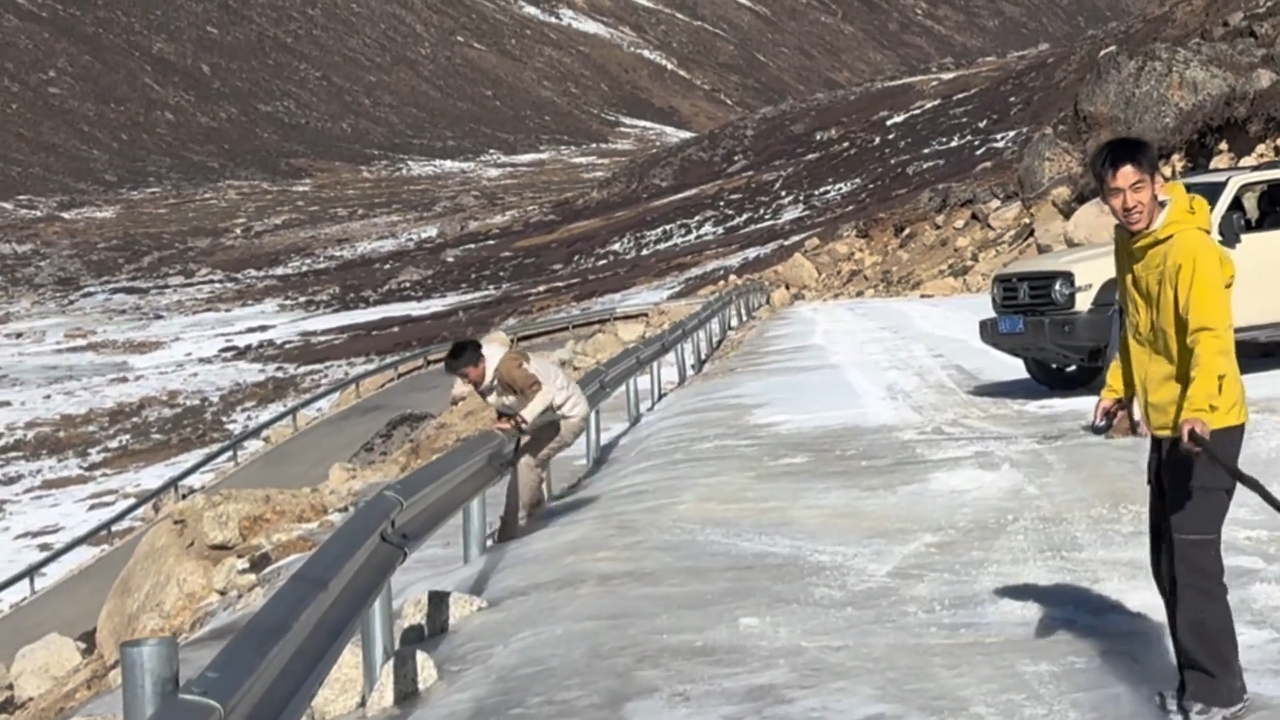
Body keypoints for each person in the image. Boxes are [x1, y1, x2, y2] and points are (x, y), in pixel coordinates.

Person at [1090, 137, 1251, 719]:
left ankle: (1220, 693)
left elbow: (1209, 336)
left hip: (1209, 423)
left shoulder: (1189, 251)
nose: (1129, 202)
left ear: (1158, 183)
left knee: (1194, 558)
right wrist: (1116, 391)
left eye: (1138, 187)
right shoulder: (1130, 246)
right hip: (1167, 426)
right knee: (1167, 558)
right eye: (1116, 193)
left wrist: (1200, 408)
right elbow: (1136, 330)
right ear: (1104, 199)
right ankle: (1198, 682)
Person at [444, 333, 590, 542]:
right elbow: (508, 402)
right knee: (525, 463)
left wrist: (516, 422)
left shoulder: (507, 367)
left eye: (465, 374)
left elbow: (544, 394)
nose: (465, 380)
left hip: (567, 414)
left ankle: (514, 532)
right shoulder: (484, 379)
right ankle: (534, 517)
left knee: (527, 462)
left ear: (480, 362)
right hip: (545, 419)